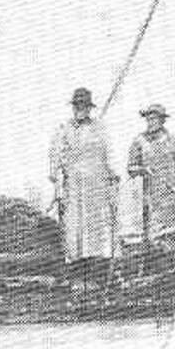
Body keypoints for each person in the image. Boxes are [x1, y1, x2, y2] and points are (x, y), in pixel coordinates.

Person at [48, 87, 119, 280]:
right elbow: (55, 159)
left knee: (98, 229)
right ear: (73, 107)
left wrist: (112, 177)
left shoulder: (100, 128)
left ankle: (101, 272)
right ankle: (77, 272)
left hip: (97, 185)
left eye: (84, 106)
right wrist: (58, 185)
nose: (81, 109)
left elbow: (108, 156)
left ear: (90, 107)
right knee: (75, 228)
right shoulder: (64, 129)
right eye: (77, 105)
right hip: (75, 186)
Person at [127, 103, 175, 240]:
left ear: (162, 120)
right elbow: (131, 168)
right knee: (154, 237)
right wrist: (143, 170)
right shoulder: (139, 141)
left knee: (174, 234)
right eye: (148, 119)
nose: (151, 122)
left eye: (154, 119)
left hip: (172, 194)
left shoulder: (174, 140)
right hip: (151, 195)